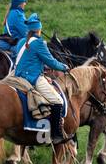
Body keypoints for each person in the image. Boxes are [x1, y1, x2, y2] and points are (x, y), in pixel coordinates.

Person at [9, 12, 72, 144]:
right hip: (31, 78)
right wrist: (65, 67)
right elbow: (51, 62)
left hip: (15, 75)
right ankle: (56, 135)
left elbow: (28, 59)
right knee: (58, 101)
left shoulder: (21, 41)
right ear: (39, 29)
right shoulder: (39, 43)